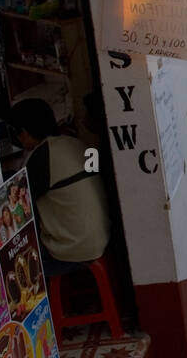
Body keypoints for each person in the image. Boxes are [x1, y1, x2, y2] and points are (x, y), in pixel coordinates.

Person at [9, 99, 111, 277]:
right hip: (104, 238)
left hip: (75, 251)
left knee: (15, 257)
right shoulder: (78, 143)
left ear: (24, 132)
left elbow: (21, 206)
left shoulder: (41, 156)